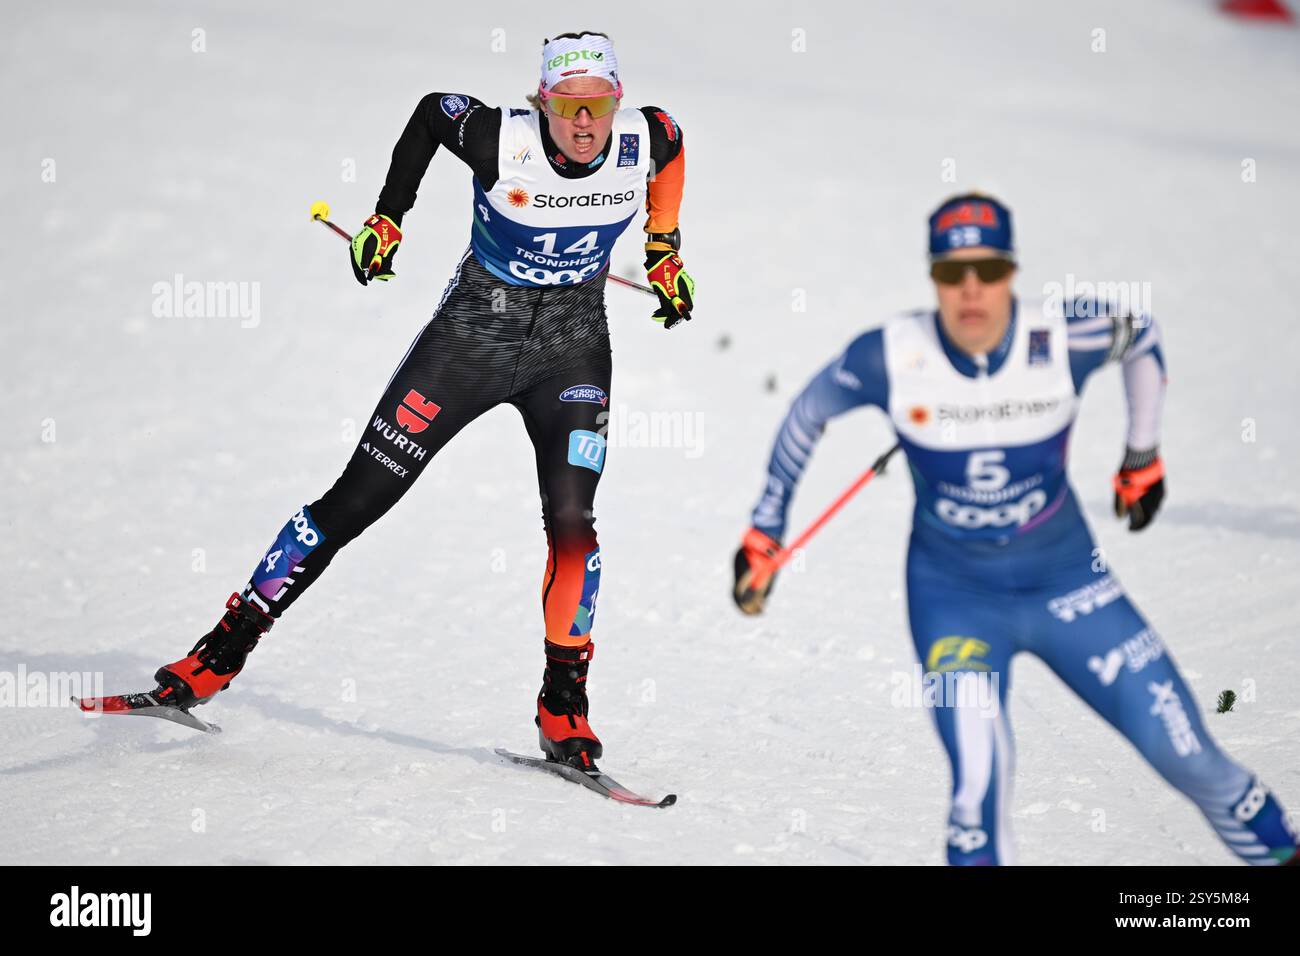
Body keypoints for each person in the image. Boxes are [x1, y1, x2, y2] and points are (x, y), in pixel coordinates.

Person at [133, 31, 694, 770]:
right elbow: (433, 113)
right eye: (567, 106)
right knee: (355, 501)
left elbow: (673, 147)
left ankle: (563, 708)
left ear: (616, 103)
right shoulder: (499, 138)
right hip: (470, 341)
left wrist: (664, 249)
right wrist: (388, 218)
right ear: (542, 103)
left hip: (572, 349)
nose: (584, 123)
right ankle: (219, 655)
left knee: (573, 524)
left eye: (597, 106)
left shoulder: (644, 136)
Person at [733, 193, 1298, 865]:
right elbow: (807, 410)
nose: (971, 290)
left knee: (1190, 757)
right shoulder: (892, 353)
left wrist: (1142, 455)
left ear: (1012, 272)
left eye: (989, 270)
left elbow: (1140, 334)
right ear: (933, 277)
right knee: (976, 795)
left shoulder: (1062, 336)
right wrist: (764, 531)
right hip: (954, 604)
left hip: (1071, 590)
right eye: (951, 273)